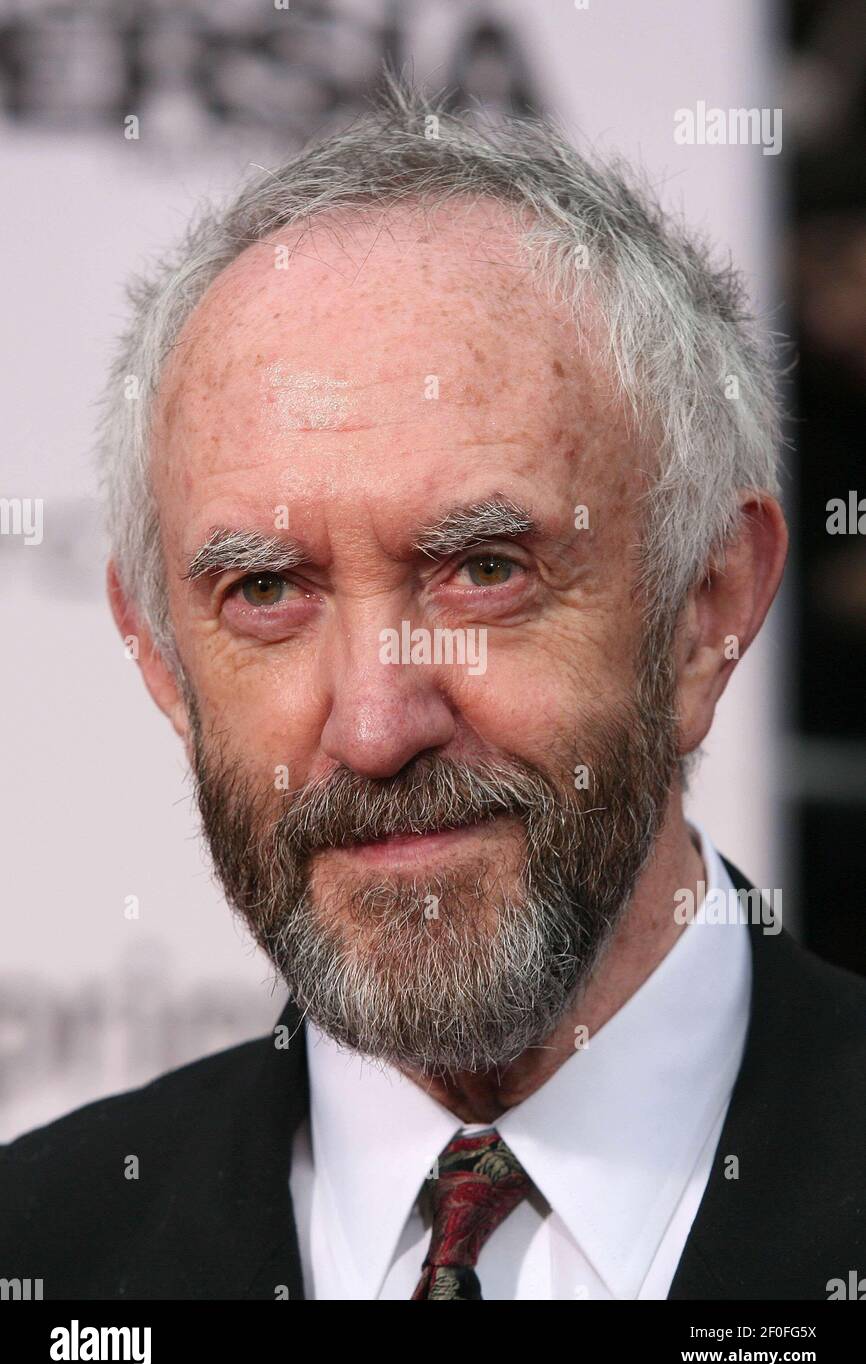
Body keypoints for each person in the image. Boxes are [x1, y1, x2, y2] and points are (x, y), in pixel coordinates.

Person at [2, 75, 864, 1301]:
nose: (373, 724)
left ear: (705, 612)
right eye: (264, 590)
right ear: (159, 657)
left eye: (481, 570)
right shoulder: (42, 1259)